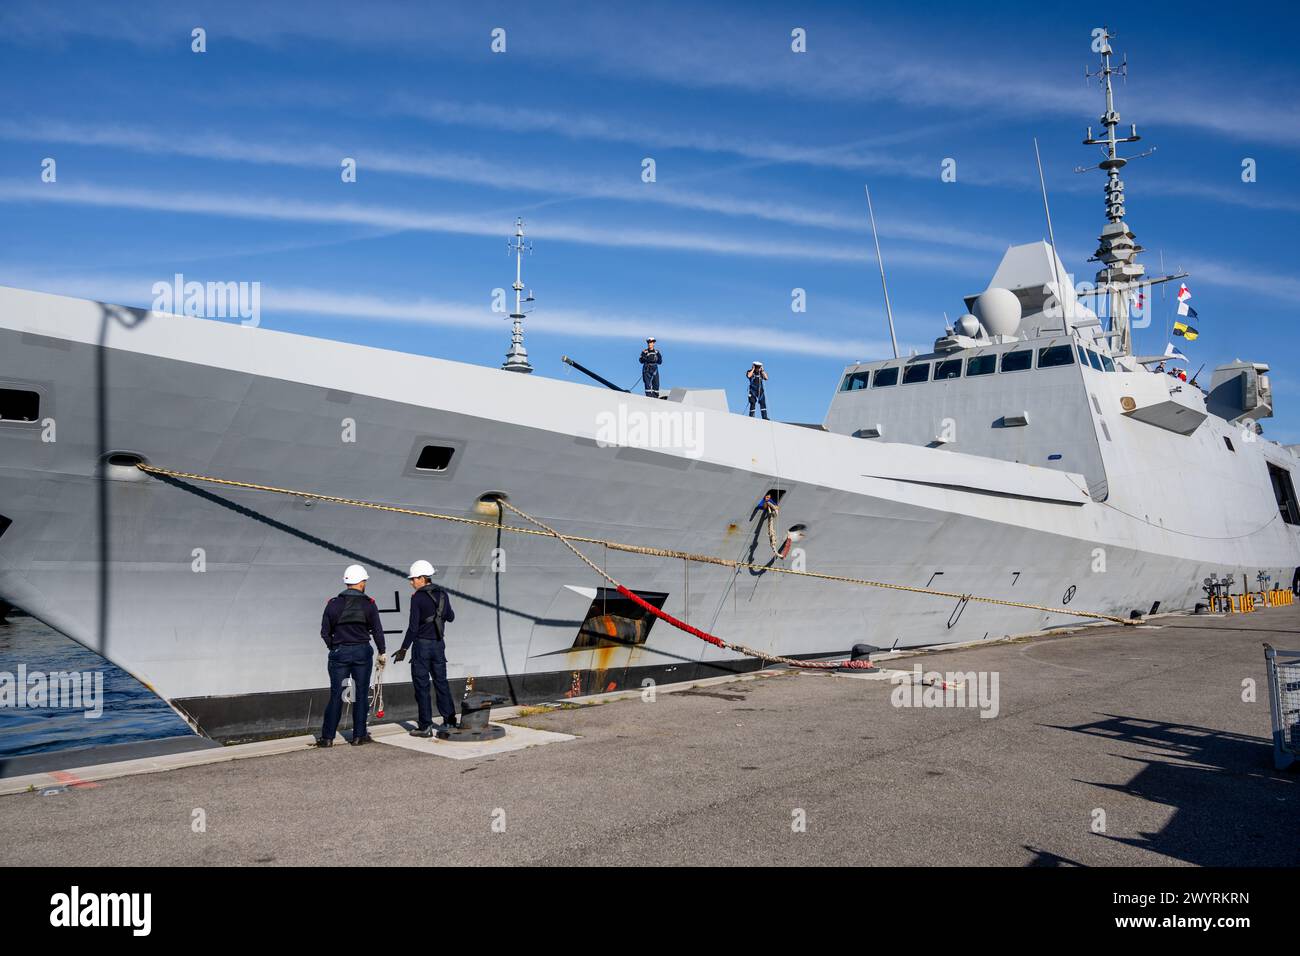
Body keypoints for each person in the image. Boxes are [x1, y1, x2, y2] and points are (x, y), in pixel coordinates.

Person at [317, 564, 387, 747]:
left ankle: (327, 738)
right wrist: (382, 651)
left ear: (346, 582)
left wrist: (335, 647)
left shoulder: (333, 604)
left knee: (337, 695)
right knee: (361, 694)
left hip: (340, 653)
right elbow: (377, 631)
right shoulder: (369, 604)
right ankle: (358, 736)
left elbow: (325, 632)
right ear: (362, 582)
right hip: (362, 653)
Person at [392, 560, 458, 736]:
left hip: (421, 646)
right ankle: (450, 721)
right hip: (438, 645)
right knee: (441, 683)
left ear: (422, 578)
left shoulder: (418, 598)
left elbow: (413, 627)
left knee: (422, 686)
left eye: (413, 579)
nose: (411, 582)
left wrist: (404, 648)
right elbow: (450, 617)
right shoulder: (443, 594)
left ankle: (426, 726)